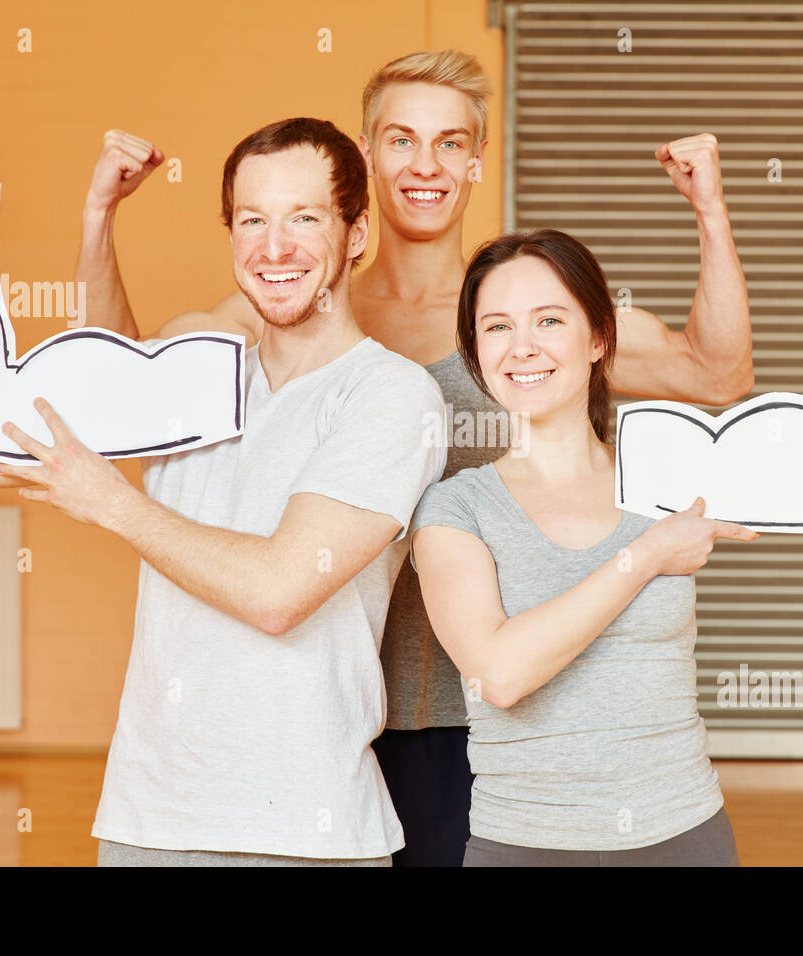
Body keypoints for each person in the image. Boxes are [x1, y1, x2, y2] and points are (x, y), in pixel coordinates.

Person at [70, 49, 756, 866]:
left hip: (497, 708)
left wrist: (710, 211)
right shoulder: (295, 302)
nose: (425, 165)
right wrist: (100, 221)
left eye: (450, 143)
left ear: (475, 160)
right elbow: (121, 389)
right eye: (401, 140)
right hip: (350, 712)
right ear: (364, 156)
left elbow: (717, 373)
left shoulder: (517, 310)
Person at [0, 117, 448, 866]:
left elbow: (279, 593)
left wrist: (115, 504)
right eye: (252, 220)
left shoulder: (390, 396)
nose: (274, 246)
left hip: (306, 836)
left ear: (355, 233)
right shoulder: (197, 374)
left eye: (304, 218)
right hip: (145, 826)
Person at [409, 214, 803, 865]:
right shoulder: (454, 507)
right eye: (497, 327)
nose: (521, 346)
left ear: (599, 339)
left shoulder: (673, 471)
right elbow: (499, 674)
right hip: (524, 845)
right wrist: (644, 558)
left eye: (549, 320)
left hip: (683, 837)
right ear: (475, 353)